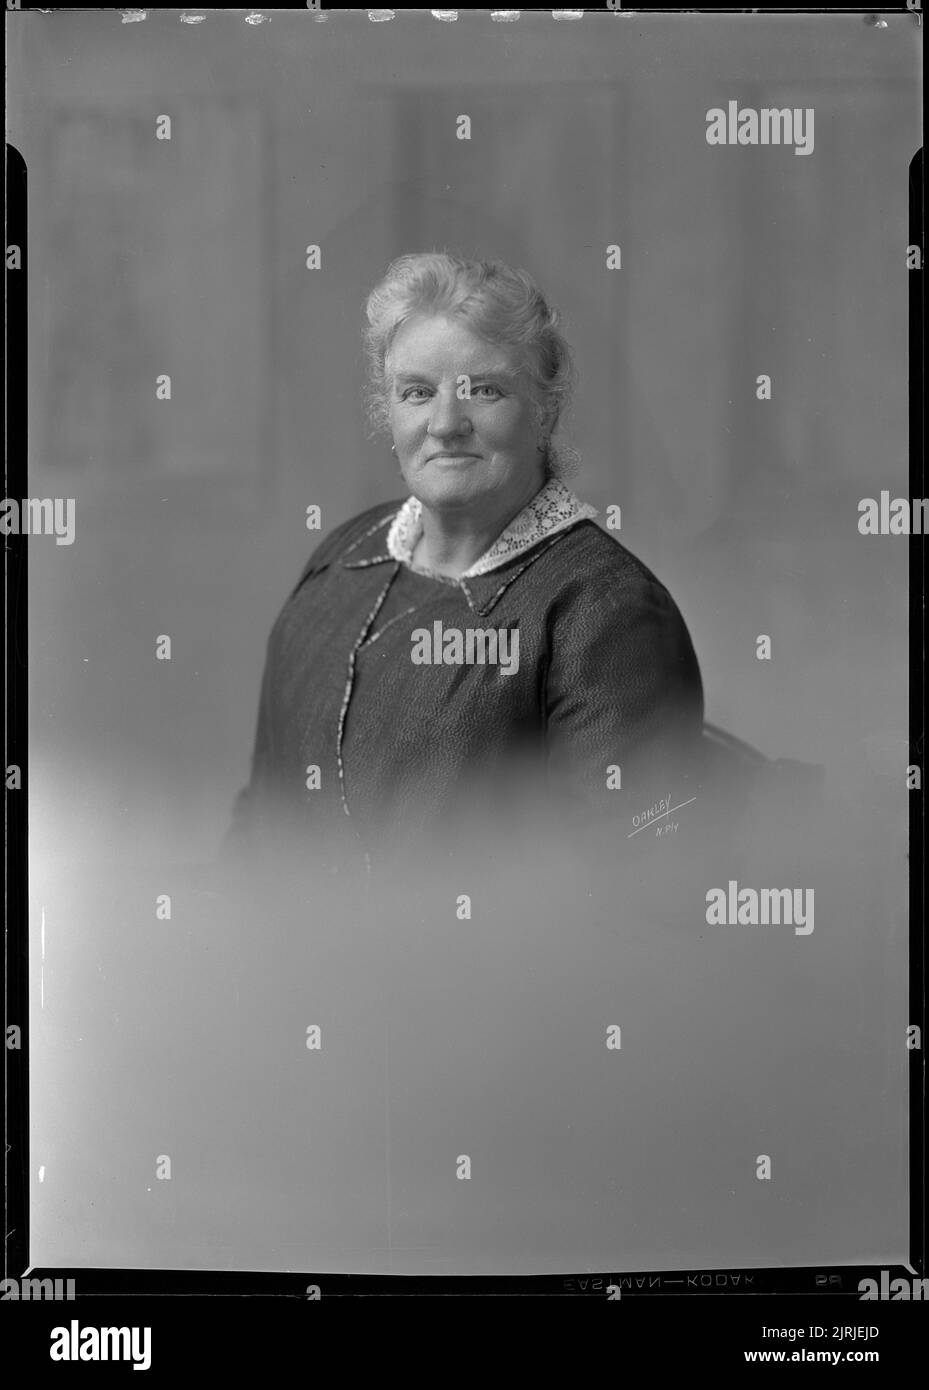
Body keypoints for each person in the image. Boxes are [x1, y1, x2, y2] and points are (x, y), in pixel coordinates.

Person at [227, 252, 704, 876]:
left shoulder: (608, 612)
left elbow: (632, 901)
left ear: (546, 412)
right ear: (390, 412)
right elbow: (259, 825)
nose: (447, 423)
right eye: (418, 392)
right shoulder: (343, 555)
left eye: (485, 390)